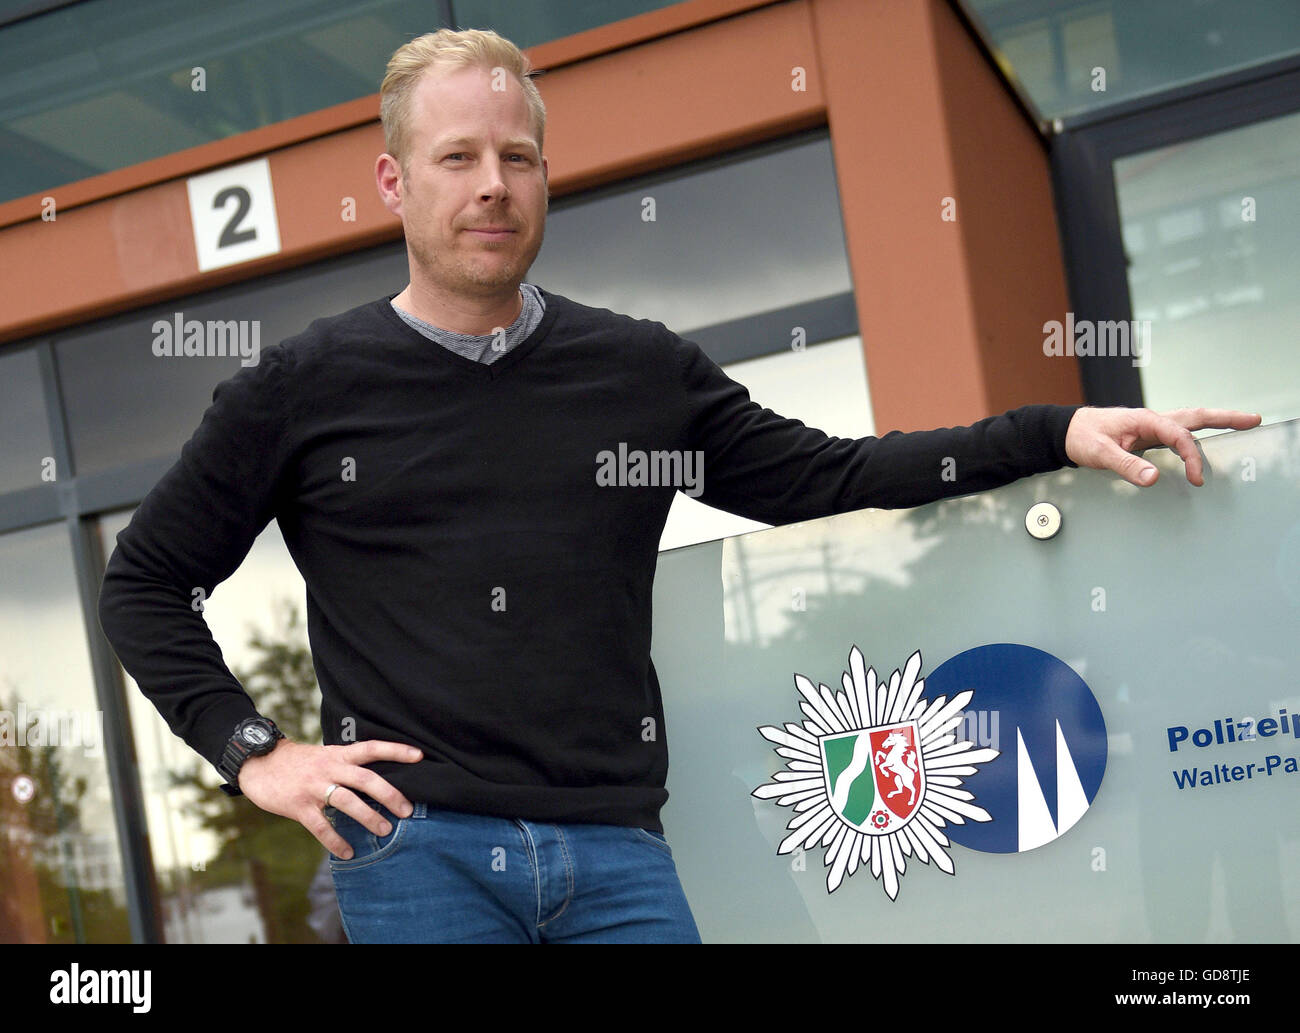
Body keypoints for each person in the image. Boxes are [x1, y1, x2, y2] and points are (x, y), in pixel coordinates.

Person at [97, 27, 1261, 943]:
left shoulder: (635, 369)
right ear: (395, 183)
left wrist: (1054, 428)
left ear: (547, 176)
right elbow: (144, 581)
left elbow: (827, 474)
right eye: (457, 158)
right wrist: (256, 750)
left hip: (617, 855)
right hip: (419, 855)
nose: (492, 185)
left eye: (517, 157)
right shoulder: (303, 386)